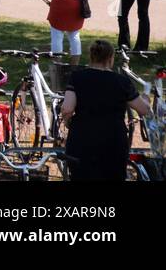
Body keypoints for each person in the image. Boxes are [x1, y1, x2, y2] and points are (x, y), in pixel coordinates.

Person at [61, 39, 154, 181]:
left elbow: (67, 108)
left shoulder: (77, 77)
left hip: (82, 139)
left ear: (91, 56)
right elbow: (143, 110)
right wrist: (146, 97)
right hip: (113, 142)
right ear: (110, 58)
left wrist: (68, 122)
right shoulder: (122, 81)